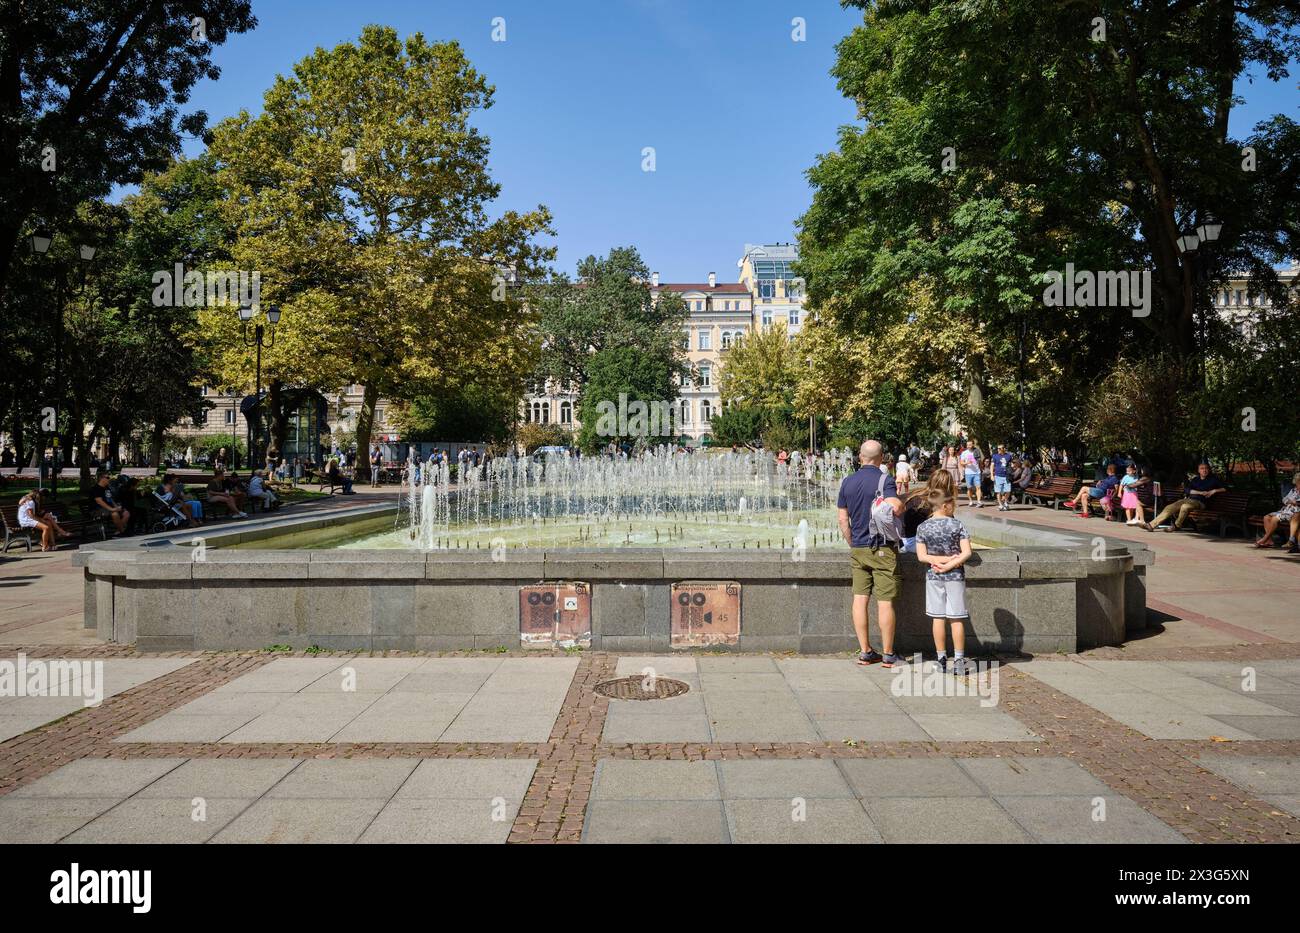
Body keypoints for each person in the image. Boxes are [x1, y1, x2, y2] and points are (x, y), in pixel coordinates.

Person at [837, 439, 905, 668]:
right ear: (881, 458)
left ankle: (866, 651)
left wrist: (853, 542)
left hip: (858, 547)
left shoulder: (847, 482)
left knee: (860, 599)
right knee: (884, 602)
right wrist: (901, 505)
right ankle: (888, 654)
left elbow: (842, 519)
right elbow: (895, 506)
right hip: (882, 548)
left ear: (860, 456)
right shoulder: (884, 479)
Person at [915, 488, 974, 675]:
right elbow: (967, 553)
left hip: (933, 576)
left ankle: (940, 659)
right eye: (953, 504)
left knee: (938, 617)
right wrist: (950, 564)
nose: (954, 507)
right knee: (956, 618)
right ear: (945, 505)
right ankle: (958, 659)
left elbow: (921, 556)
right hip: (955, 576)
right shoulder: (958, 525)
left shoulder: (922, 527)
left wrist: (938, 562)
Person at [1142, 462, 1226, 533]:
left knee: (1184, 505)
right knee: (1173, 507)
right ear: (1198, 470)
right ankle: (1151, 525)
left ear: (1209, 470)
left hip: (1202, 503)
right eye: (1202, 468)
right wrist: (1199, 492)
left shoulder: (1213, 480)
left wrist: (1214, 491)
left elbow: (1225, 488)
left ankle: (1176, 526)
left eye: (1206, 468)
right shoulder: (1195, 479)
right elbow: (1187, 490)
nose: (1204, 470)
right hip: (1190, 500)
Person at [901, 469, 956, 553]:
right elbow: (948, 527)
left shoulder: (916, 493)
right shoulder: (934, 503)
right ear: (949, 486)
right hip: (912, 541)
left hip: (902, 539)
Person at [1254, 472, 1300, 552]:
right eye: (1296, 483)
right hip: (1287, 510)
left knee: (1274, 519)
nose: (1296, 485)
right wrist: (1290, 502)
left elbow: (1296, 502)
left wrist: (1294, 502)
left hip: (1294, 511)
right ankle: (1269, 541)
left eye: (1298, 483)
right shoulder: (1294, 490)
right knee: (1266, 517)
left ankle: (1265, 539)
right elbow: (1285, 499)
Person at [959, 440, 983, 508]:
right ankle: (970, 501)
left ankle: (979, 501)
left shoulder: (977, 451)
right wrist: (967, 463)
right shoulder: (964, 453)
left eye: (970, 444)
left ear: (973, 445)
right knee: (969, 488)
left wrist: (981, 469)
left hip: (977, 472)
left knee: (978, 487)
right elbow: (961, 463)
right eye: (967, 445)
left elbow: (980, 461)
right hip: (968, 473)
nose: (968, 446)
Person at [990, 443, 1013, 511]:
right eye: (998, 448)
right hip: (998, 475)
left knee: (1008, 490)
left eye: (1000, 448)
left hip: (1006, 476)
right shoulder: (995, 456)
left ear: (1004, 449)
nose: (998, 450)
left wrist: (1011, 468)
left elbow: (1011, 464)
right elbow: (992, 465)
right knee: (998, 491)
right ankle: (1000, 505)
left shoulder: (1008, 456)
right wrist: (992, 475)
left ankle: (1005, 502)